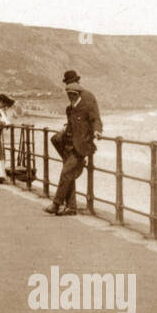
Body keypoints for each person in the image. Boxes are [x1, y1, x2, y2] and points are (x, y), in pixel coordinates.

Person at [45, 77, 102, 215]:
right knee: (68, 175)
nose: (70, 97)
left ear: (77, 93)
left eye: (73, 94)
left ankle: (56, 204)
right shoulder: (69, 109)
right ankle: (71, 207)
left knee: (66, 174)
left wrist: (97, 131)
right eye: (69, 94)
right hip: (69, 146)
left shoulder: (87, 104)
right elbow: (71, 125)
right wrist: (65, 130)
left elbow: (96, 119)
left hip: (80, 147)